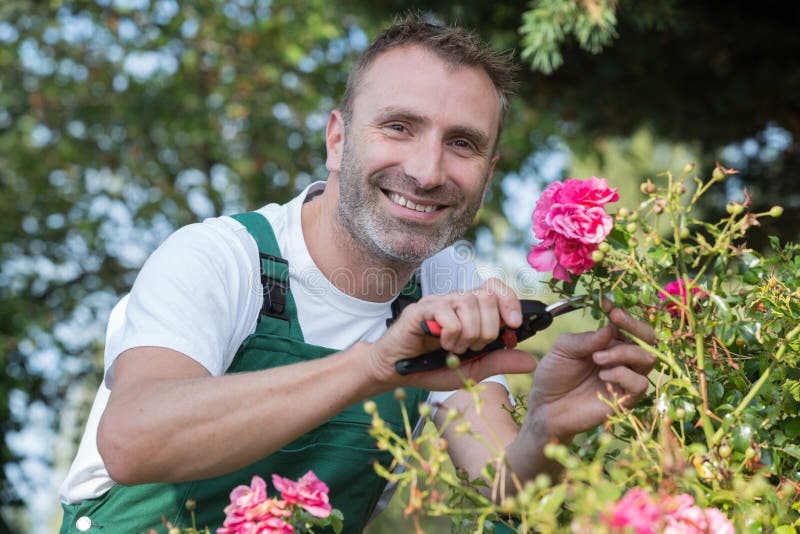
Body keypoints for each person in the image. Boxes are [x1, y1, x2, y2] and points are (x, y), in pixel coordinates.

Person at [59, 15, 655, 533]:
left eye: (463, 144)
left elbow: (503, 485)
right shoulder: (221, 258)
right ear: (337, 139)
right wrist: (376, 366)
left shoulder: (448, 283)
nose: (426, 171)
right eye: (399, 127)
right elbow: (133, 441)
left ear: (489, 171)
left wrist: (548, 426)